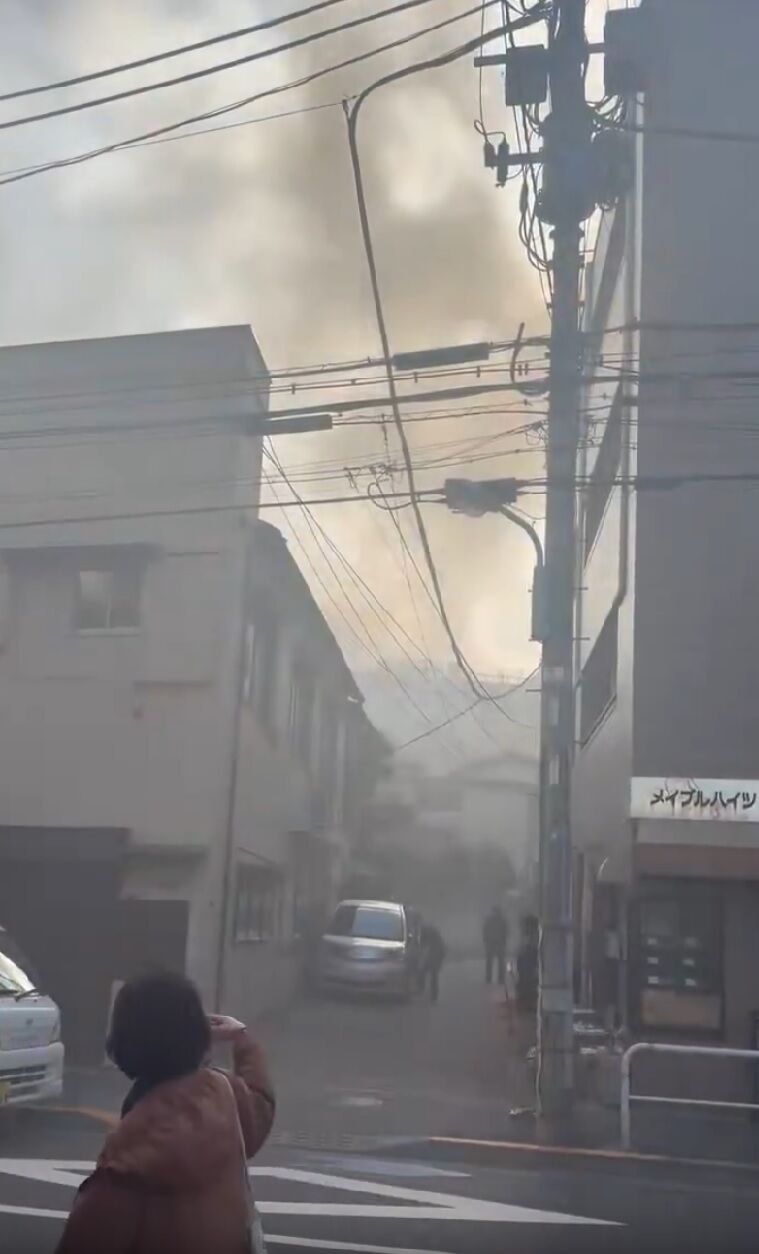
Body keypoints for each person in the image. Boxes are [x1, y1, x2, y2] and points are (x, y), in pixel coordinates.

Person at [55, 970, 275, 1254]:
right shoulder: (226, 1097)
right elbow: (260, 1103)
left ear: (124, 1043)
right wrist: (243, 1040)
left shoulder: (126, 1165)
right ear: (199, 1033)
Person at [515, 913, 539, 1051]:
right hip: (525, 985)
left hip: (531, 986)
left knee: (530, 1019)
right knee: (527, 1018)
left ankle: (530, 1047)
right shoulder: (527, 943)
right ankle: (527, 1046)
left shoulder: (534, 945)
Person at [418, 921, 446, 1003]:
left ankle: (425, 991)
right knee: (432, 975)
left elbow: (423, 945)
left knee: (427, 973)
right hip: (437, 955)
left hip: (436, 955)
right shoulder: (431, 931)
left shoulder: (426, 932)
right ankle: (432, 995)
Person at [483, 905, 508, 985]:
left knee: (491, 961)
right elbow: (506, 931)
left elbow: (485, 930)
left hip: (492, 943)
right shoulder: (502, 920)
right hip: (498, 943)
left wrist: (485, 939)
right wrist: (504, 940)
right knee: (499, 961)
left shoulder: (489, 920)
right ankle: (500, 978)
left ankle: (489, 977)